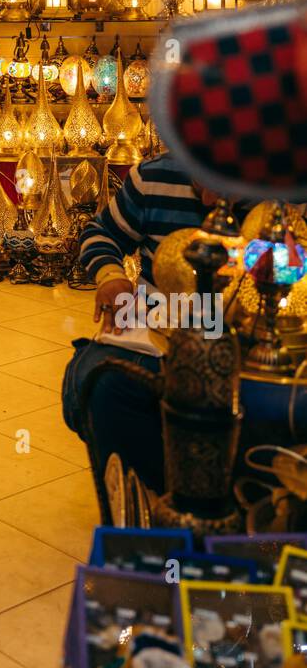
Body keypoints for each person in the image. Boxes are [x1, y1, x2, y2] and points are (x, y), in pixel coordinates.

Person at [61, 151, 232, 494]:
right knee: (101, 385)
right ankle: (159, 496)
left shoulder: (288, 193)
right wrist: (111, 278)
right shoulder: (156, 176)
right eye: (201, 181)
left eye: (228, 187)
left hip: (243, 337)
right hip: (157, 329)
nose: (213, 201)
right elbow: (100, 233)